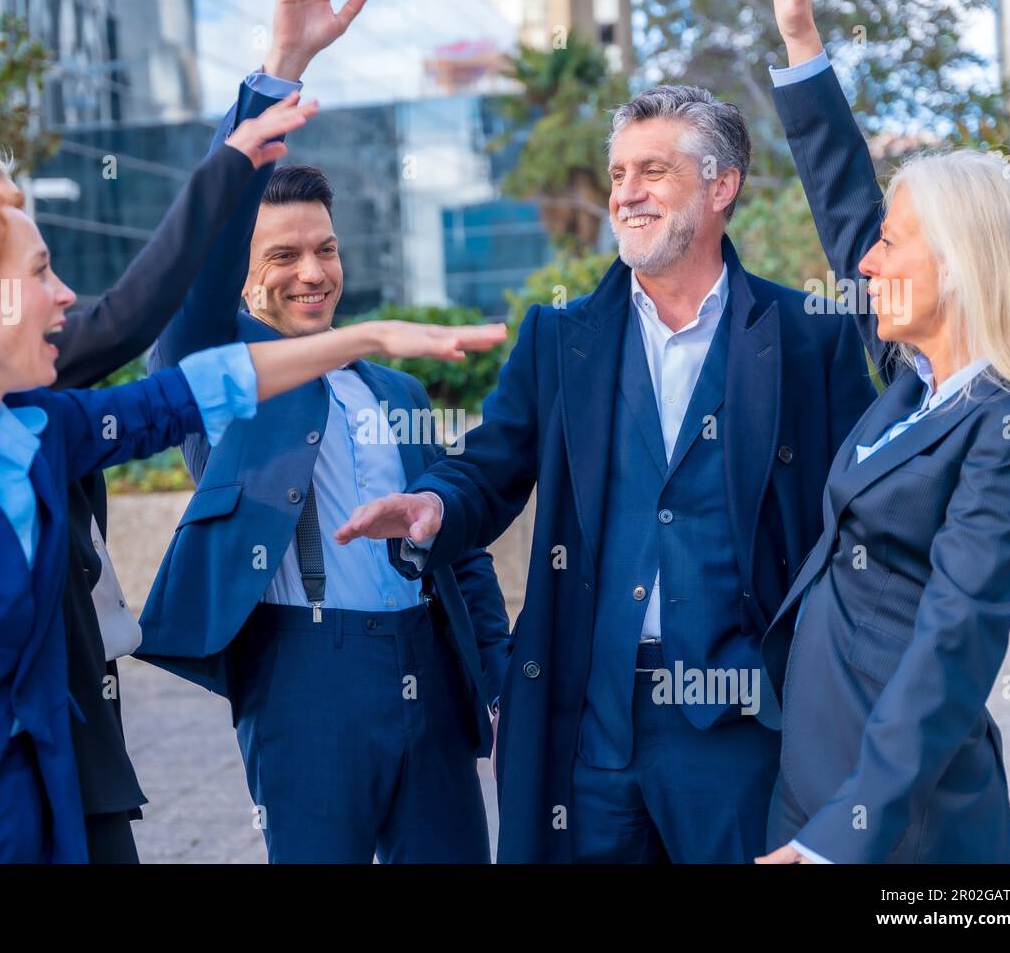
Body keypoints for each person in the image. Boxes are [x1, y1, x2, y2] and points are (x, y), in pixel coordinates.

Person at [0, 0, 365, 864]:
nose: (55, 290)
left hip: (72, 749)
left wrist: (365, 342)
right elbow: (137, 311)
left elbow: (189, 388)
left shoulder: (34, 400)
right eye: (5, 247)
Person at [0, 174, 505, 863]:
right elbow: (171, 339)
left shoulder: (39, 432)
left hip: (45, 816)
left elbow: (180, 399)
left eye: (325, 250)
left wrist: (368, 339)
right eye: (40, 272)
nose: (66, 295)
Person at [335, 80, 878, 862]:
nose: (626, 194)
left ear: (721, 187)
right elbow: (490, 466)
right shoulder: (560, 339)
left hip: (743, 722)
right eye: (619, 174)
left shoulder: (803, 335)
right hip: (590, 721)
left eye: (652, 171)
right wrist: (433, 505)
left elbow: (851, 514)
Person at [136, 49, 511, 864]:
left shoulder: (401, 393)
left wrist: (500, 676)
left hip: (428, 666)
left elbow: (462, 548)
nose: (312, 273)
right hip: (303, 674)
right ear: (239, 280)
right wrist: (275, 79)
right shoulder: (218, 376)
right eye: (282, 256)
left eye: (326, 250)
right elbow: (191, 266)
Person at [754, 0, 1010, 864]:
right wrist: (802, 44)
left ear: (960, 270)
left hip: (896, 821)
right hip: (811, 783)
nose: (868, 262)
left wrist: (836, 841)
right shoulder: (912, 382)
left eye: (894, 244)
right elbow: (849, 209)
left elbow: (952, 649)